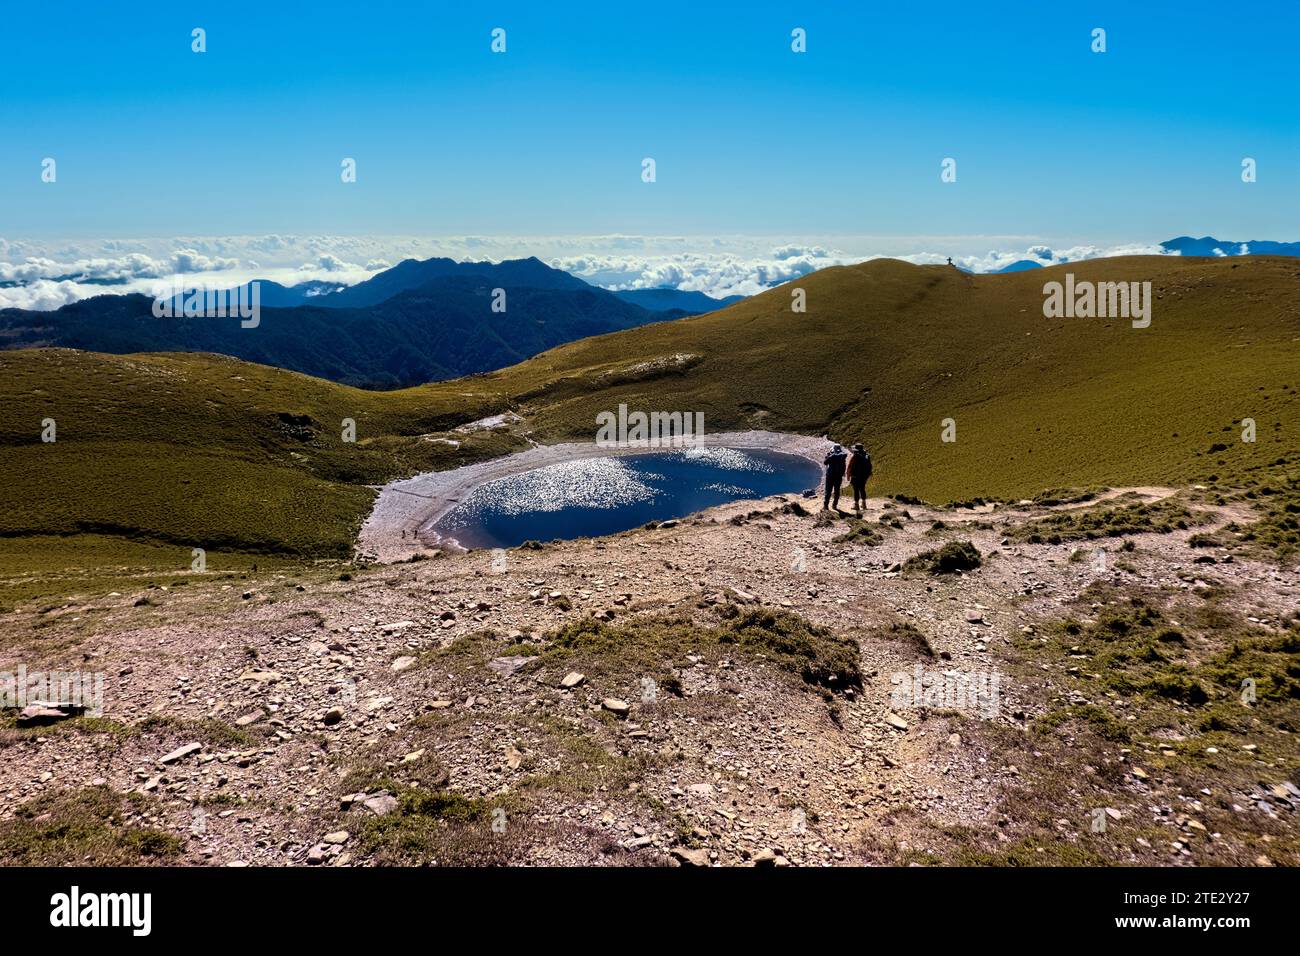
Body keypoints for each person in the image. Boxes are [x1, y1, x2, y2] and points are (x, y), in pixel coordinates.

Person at [846, 443, 872, 511]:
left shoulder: (855, 456)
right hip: (864, 476)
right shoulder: (867, 456)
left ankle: (856, 505)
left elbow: (849, 467)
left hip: (855, 476)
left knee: (856, 490)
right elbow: (869, 466)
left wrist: (848, 476)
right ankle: (864, 505)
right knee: (862, 489)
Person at [823, 444, 847, 511]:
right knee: (837, 491)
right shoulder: (842, 456)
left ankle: (826, 506)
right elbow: (844, 466)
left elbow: (825, 462)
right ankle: (834, 505)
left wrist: (827, 456)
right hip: (838, 476)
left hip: (830, 476)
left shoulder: (831, 456)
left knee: (828, 491)